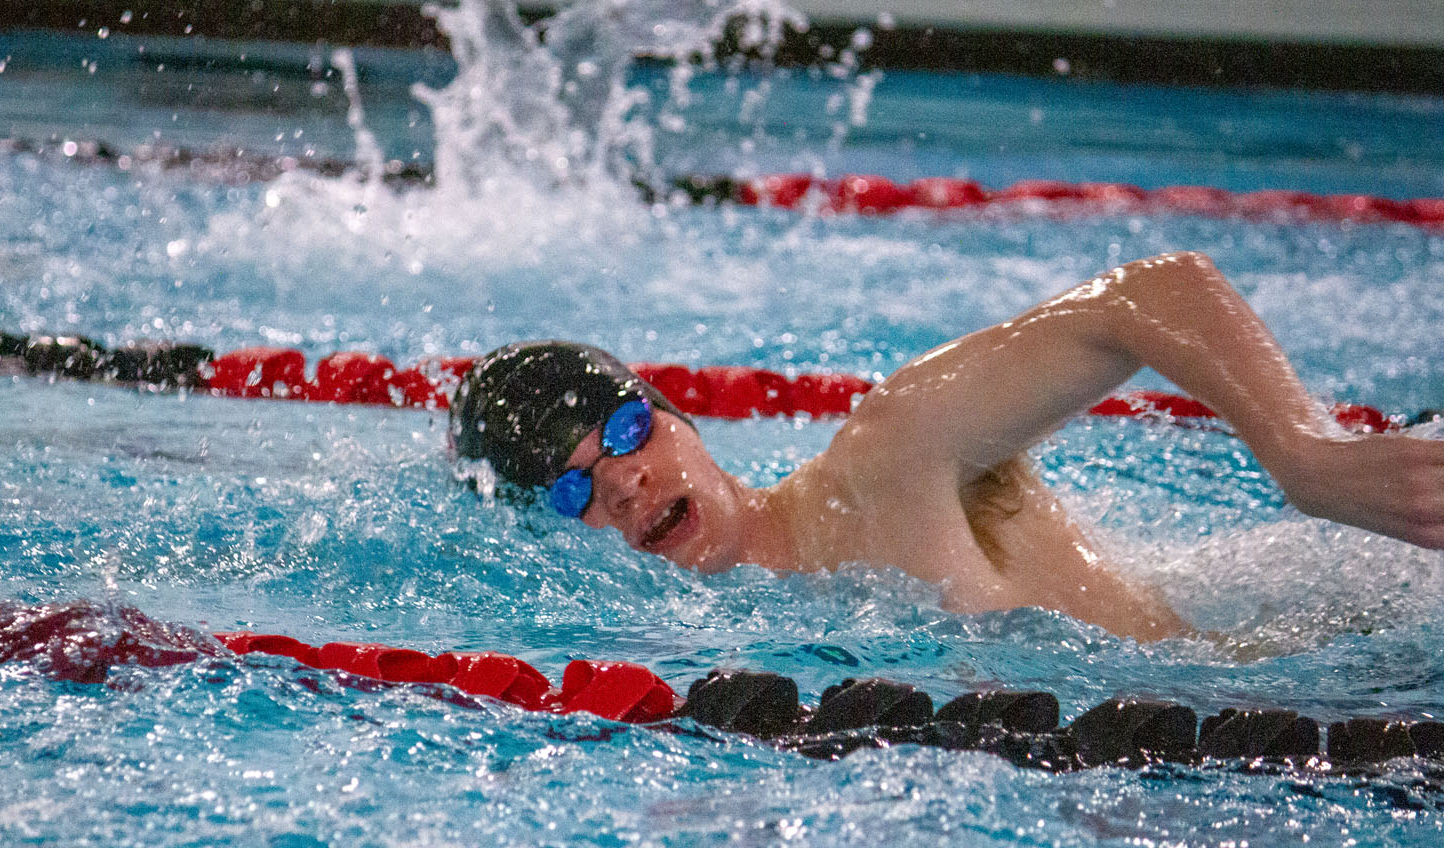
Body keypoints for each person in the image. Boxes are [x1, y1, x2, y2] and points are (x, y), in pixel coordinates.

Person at [450, 252, 1444, 640]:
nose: (623, 482)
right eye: (572, 491)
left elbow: (1153, 292)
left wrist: (1305, 459)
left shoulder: (886, 462)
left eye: (625, 432)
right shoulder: (697, 650)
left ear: (682, 417)